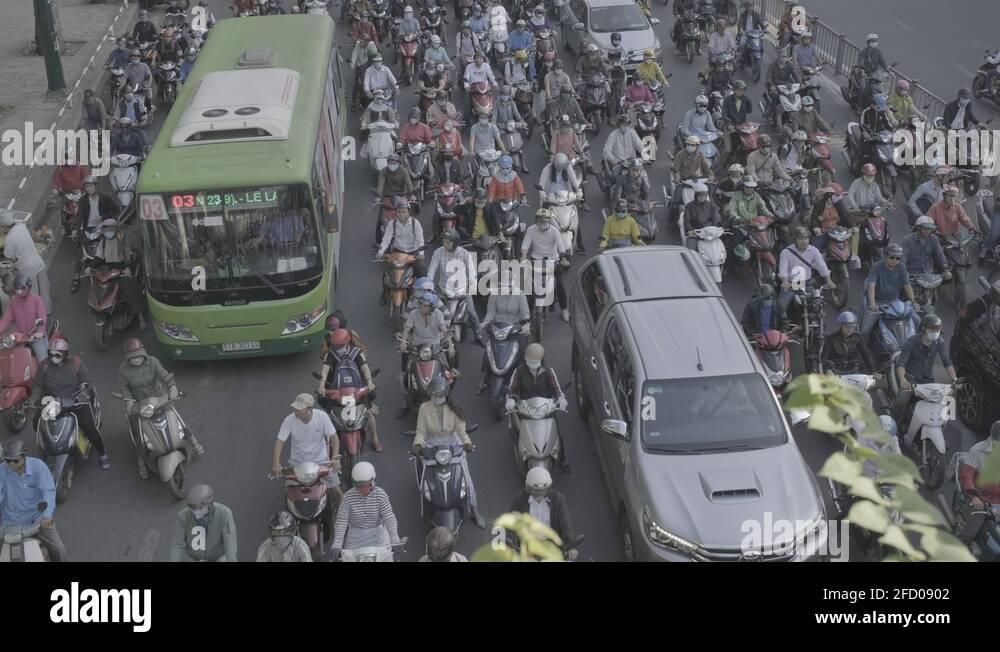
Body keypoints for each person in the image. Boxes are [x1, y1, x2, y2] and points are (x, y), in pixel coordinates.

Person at [119, 338, 204, 478]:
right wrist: (128, 401)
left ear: (144, 354)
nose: (136, 360)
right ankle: (141, 461)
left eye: (139, 356)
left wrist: (173, 387)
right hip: (140, 403)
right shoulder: (123, 369)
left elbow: (165, 375)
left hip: (159, 397)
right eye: (132, 358)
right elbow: (124, 388)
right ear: (127, 358)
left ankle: (193, 441)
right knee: (138, 433)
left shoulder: (153, 361)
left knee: (177, 419)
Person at [412, 376, 486, 528]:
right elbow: (420, 432)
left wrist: (467, 443)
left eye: (438, 395)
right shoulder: (424, 408)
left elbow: (461, 431)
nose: (435, 398)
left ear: (446, 394)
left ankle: (474, 510)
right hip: (431, 444)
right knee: (426, 477)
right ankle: (425, 506)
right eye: (433, 395)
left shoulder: (455, 407)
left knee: (467, 479)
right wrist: (418, 446)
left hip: (453, 445)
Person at [31, 338, 109, 470]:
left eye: (58, 354)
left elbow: (86, 381)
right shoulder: (44, 366)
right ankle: (48, 448)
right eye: (51, 354)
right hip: (53, 403)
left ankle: (102, 453)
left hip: (75, 401)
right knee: (37, 422)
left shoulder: (76, 362)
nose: (54, 357)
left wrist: (83, 393)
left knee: (90, 428)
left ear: (66, 354)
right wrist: (33, 398)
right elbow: (38, 385)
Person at [506, 343, 571, 472]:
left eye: (535, 361)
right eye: (529, 361)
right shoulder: (519, 371)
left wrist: (561, 398)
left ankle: (562, 461)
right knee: (518, 431)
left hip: (546, 410)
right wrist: (510, 400)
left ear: (541, 360)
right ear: (525, 359)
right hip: (526, 409)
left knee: (557, 435)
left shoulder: (548, 371)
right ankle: (520, 451)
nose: (532, 363)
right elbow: (512, 389)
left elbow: (556, 388)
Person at [0, 439, 67, 561]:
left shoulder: (39, 467)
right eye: (8, 460)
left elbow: (48, 491)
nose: (12, 464)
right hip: (10, 522)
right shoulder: (2, 470)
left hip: (37, 521)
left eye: (15, 461)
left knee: (58, 549)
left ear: (24, 456)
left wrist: (47, 516)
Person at [272, 393, 343, 505]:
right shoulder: (289, 420)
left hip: (321, 462)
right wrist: (276, 463)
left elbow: (334, 438)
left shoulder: (322, 417)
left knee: (338, 493)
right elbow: (279, 441)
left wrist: (335, 457)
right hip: (297, 462)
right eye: (295, 407)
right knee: (290, 494)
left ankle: (342, 517)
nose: (295, 410)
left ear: (310, 409)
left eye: (299, 408)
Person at [892, 313, 959, 428]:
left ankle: (942, 430)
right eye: (932, 329)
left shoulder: (939, 342)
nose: (936, 332)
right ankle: (893, 428)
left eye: (938, 329)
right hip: (911, 379)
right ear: (924, 328)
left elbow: (946, 362)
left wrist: (954, 379)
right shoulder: (911, 342)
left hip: (928, 380)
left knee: (947, 403)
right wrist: (902, 379)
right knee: (901, 402)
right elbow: (902, 363)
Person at [398, 293, 455, 416]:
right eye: (421, 304)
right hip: (416, 347)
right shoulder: (413, 314)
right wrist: (403, 342)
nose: (422, 307)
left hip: (434, 347)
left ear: (432, 307)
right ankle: (405, 404)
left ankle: (448, 399)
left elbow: (444, 331)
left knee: (448, 372)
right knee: (405, 376)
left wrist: (450, 346)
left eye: (425, 305)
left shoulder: (438, 315)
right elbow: (406, 330)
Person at [86, 218, 148, 331]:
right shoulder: (103, 242)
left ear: (115, 229)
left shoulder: (122, 240)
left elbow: (129, 258)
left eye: (110, 229)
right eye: (106, 229)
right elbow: (99, 258)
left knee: (129, 289)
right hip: (109, 270)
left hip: (123, 268)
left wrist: (127, 269)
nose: (108, 232)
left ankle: (141, 317)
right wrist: (90, 266)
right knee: (101, 288)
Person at [330, 462, 403, 557]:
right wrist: (337, 544)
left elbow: (389, 517)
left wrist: (395, 540)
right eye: (359, 486)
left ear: (373, 481)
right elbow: (341, 521)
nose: (363, 489)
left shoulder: (381, 495)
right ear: (354, 483)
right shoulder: (347, 497)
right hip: (355, 537)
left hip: (378, 535)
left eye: (366, 485)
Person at [426, 229, 484, 342]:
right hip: (443, 290)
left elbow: (471, 271)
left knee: (472, 313)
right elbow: (432, 269)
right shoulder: (438, 252)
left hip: (462, 290)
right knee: (432, 311)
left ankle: (478, 335)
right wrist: (429, 285)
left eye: (448, 242)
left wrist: (472, 282)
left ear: (455, 242)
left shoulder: (464, 254)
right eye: (444, 242)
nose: (445, 244)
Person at [509, 466, 578, 558]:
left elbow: (565, 524)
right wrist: (512, 546)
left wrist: (571, 547)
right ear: (528, 488)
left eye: (543, 491)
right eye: (536, 491)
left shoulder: (558, 499)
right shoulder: (519, 499)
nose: (540, 495)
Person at [476, 273, 530, 390]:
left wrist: (525, 325)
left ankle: (524, 378)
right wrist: (485, 322)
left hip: (514, 329)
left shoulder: (520, 294)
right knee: (489, 351)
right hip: (497, 328)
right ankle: (485, 376)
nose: (506, 288)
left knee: (523, 350)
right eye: (503, 285)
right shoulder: (494, 294)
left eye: (508, 286)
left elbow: (525, 312)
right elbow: (490, 312)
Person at [521, 209, 570, 322]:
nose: (542, 223)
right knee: (528, 286)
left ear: (549, 221)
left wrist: (563, 258)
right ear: (536, 220)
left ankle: (564, 309)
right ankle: (527, 312)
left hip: (553, 259)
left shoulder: (554, 231)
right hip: (536, 258)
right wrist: (523, 257)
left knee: (560, 285)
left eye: (545, 221)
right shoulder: (531, 230)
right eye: (540, 221)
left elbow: (561, 247)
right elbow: (525, 245)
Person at [169, 484, 237, 561]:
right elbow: (178, 544)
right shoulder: (183, 516)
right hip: (195, 559)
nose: (196, 511)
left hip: (218, 558)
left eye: (200, 508)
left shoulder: (224, 514)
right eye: (192, 508)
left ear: (210, 504)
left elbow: (230, 543)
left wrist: (231, 559)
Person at [0, 213, 51, 312]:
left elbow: (8, 257)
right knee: (44, 289)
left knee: (33, 294)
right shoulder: (21, 227)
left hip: (27, 269)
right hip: (38, 261)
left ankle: (37, 318)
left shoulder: (9, 239)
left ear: (3, 227)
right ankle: (47, 310)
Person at [777, 226, 835, 311]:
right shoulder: (786, 252)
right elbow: (783, 269)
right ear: (795, 240)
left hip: (807, 285)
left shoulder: (813, 251)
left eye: (806, 238)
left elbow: (822, 266)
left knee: (818, 305)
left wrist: (829, 281)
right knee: (781, 307)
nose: (803, 241)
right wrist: (784, 281)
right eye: (800, 239)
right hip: (790, 286)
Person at [376, 198, 425, 279]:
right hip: (398, 253)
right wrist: (380, 252)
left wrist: (421, 254)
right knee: (387, 274)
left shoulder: (415, 223)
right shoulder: (392, 224)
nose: (401, 214)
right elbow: (386, 240)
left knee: (422, 271)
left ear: (409, 212)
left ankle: (423, 290)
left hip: (413, 253)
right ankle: (385, 291)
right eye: (399, 212)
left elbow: (420, 240)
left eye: (404, 212)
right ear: (396, 213)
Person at [0, 276, 47, 359]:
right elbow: (5, 320)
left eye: (22, 288)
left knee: (43, 361)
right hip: (21, 337)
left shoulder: (37, 300)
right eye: (17, 288)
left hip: (36, 336)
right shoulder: (14, 301)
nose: (19, 291)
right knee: (10, 358)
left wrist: (38, 333)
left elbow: (42, 320)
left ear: (29, 287)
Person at [959, 422, 1000, 510]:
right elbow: (967, 475)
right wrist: (975, 497)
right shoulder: (978, 450)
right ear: (993, 440)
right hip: (982, 499)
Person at [671, 135, 714, 208]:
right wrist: (677, 177)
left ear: (697, 146)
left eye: (692, 145)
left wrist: (711, 175)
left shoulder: (700, 154)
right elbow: (676, 169)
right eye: (688, 144)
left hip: (698, 180)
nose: (689, 146)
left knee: (711, 192)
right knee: (676, 200)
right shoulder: (680, 155)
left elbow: (707, 166)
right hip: (684, 180)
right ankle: (673, 214)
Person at [808, 183, 849, 252]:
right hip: (825, 233)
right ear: (828, 195)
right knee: (814, 250)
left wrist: (852, 227)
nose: (839, 198)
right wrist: (816, 228)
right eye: (836, 195)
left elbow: (845, 217)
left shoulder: (839, 204)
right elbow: (814, 219)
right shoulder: (818, 205)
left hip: (839, 233)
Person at [683, 183, 722, 250]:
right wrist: (689, 229)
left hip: (709, 233)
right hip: (695, 234)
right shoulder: (689, 206)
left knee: (719, 247)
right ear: (696, 195)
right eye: (700, 195)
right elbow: (687, 220)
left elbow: (715, 218)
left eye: (704, 195)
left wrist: (717, 227)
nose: (702, 197)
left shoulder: (710, 205)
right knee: (690, 249)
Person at [463, 51, 497, 121]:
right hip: (473, 88)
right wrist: (466, 86)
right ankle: (465, 123)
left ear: (483, 59)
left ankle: (494, 120)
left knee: (493, 103)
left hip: (485, 88)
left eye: (480, 58)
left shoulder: (486, 66)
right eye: (477, 58)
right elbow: (466, 77)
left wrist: (494, 83)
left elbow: (491, 76)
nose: (478, 60)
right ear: (474, 59)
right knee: (467, 105)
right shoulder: (469, 67)